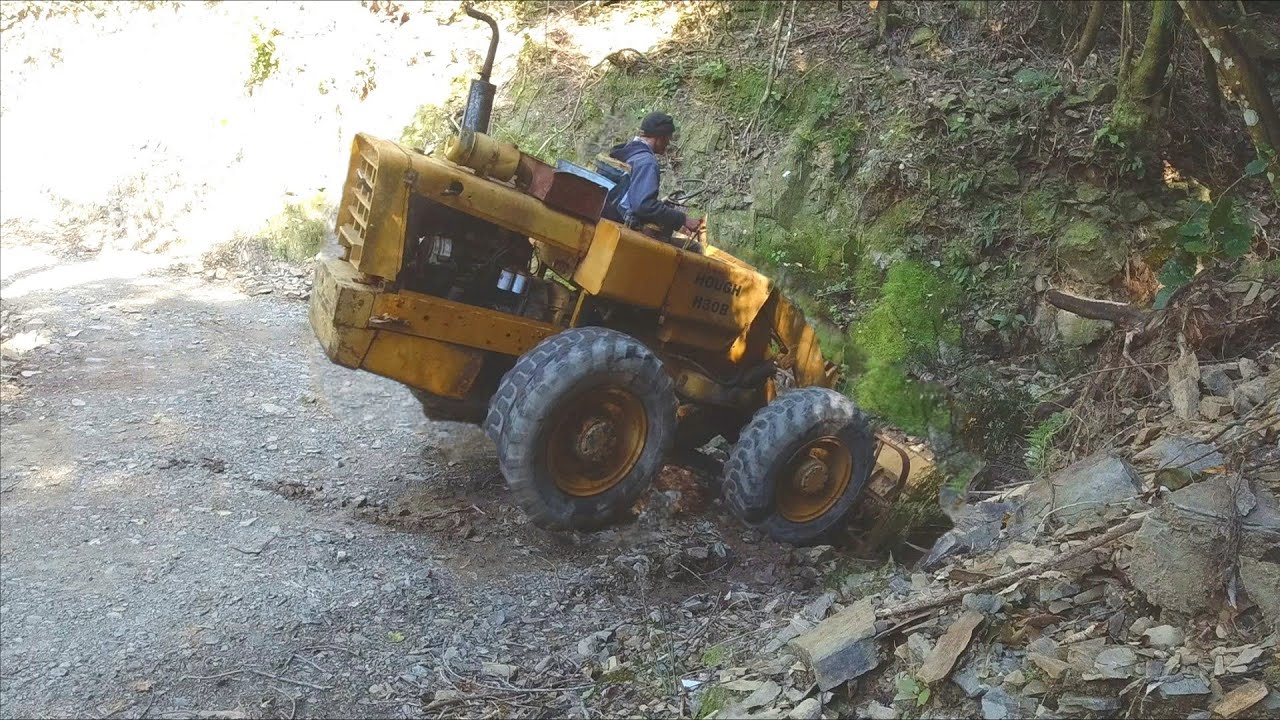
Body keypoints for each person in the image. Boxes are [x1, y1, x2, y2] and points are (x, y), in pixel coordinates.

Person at [607, 111, 703, 246]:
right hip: (627, 229)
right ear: (659, 137)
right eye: (667, 138)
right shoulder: (647, 162)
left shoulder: (627, 151)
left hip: (611, 218)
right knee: (695, 248)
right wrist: (682, 220)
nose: (668, 143)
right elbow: (643, 206)